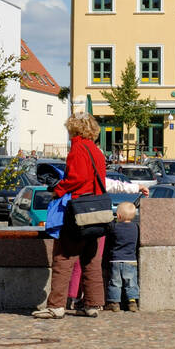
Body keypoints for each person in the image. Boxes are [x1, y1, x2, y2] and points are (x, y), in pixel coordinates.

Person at [37, 114, 146, 320]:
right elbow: (99, 180)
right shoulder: (96, 151)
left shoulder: (77, 148)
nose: (68, 133)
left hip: (79, 211)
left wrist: (58, 190)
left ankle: (56, 306)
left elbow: (75, 179)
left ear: (75, 129)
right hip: (98, 211)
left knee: (63, 258)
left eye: (69, 129)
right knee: (91, 261)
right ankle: (93, 304)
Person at [105, 201, 141, 313]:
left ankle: (114, 303)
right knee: (131, 282)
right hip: (130, 260)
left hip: (115, 260)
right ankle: (132, 302)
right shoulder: (136, 227)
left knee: (115, 282)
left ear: (118, 215)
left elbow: (109, 239)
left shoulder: (115, 227)